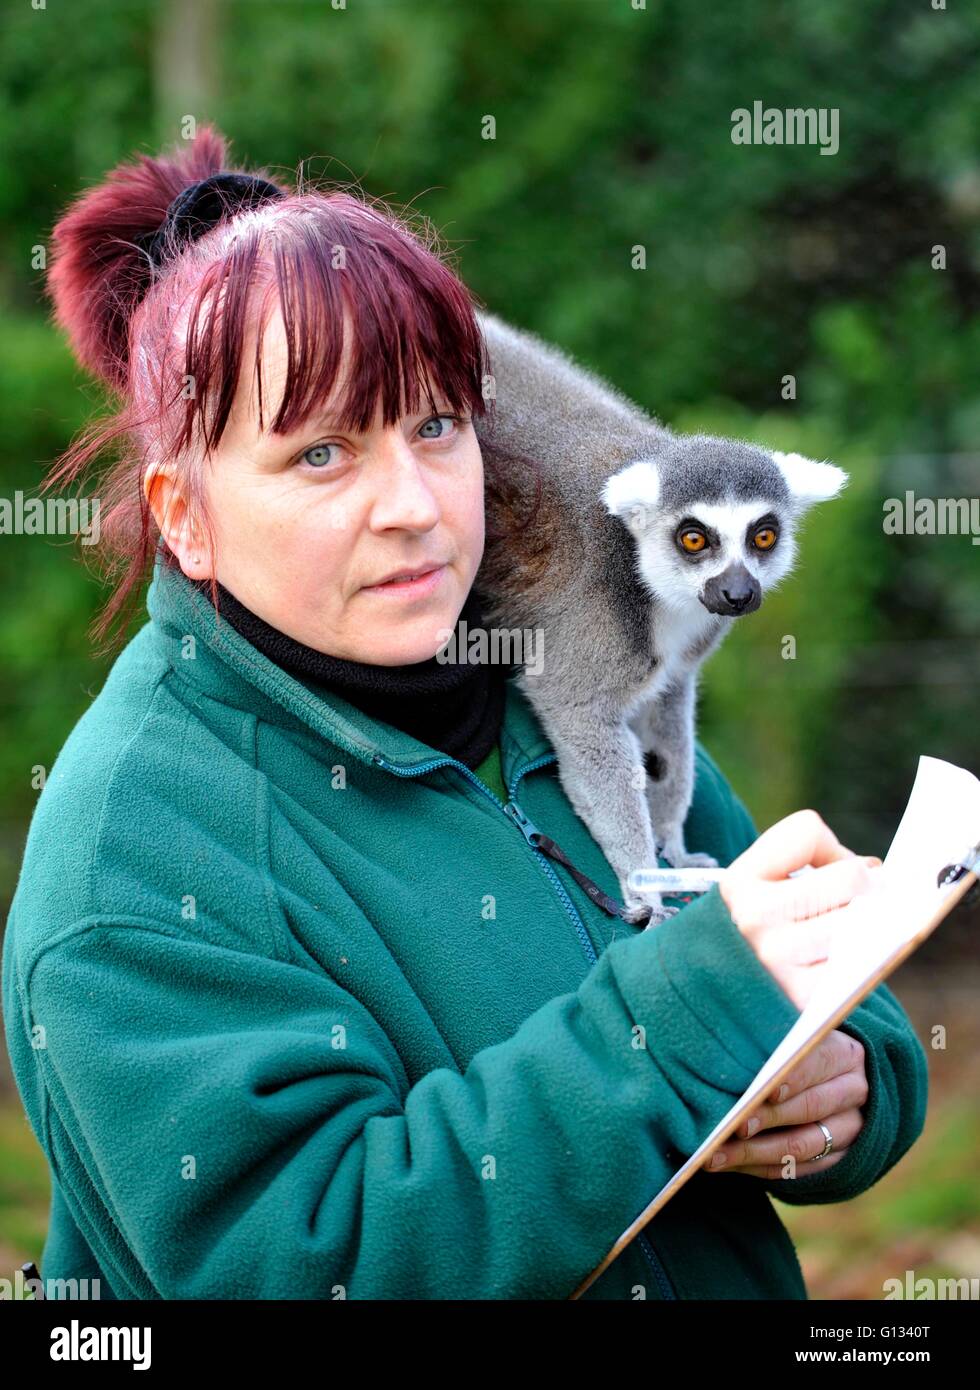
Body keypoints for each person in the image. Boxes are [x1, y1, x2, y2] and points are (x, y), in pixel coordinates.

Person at [1, 125, 927, 1301]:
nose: (412, 506)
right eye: (322, 453)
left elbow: (840, 1001)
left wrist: (841, 1089)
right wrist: (675, 1029)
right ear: (184, 514)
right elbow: (311, 1262)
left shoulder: (549, 671)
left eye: (434, 426)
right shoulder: (132, 861)